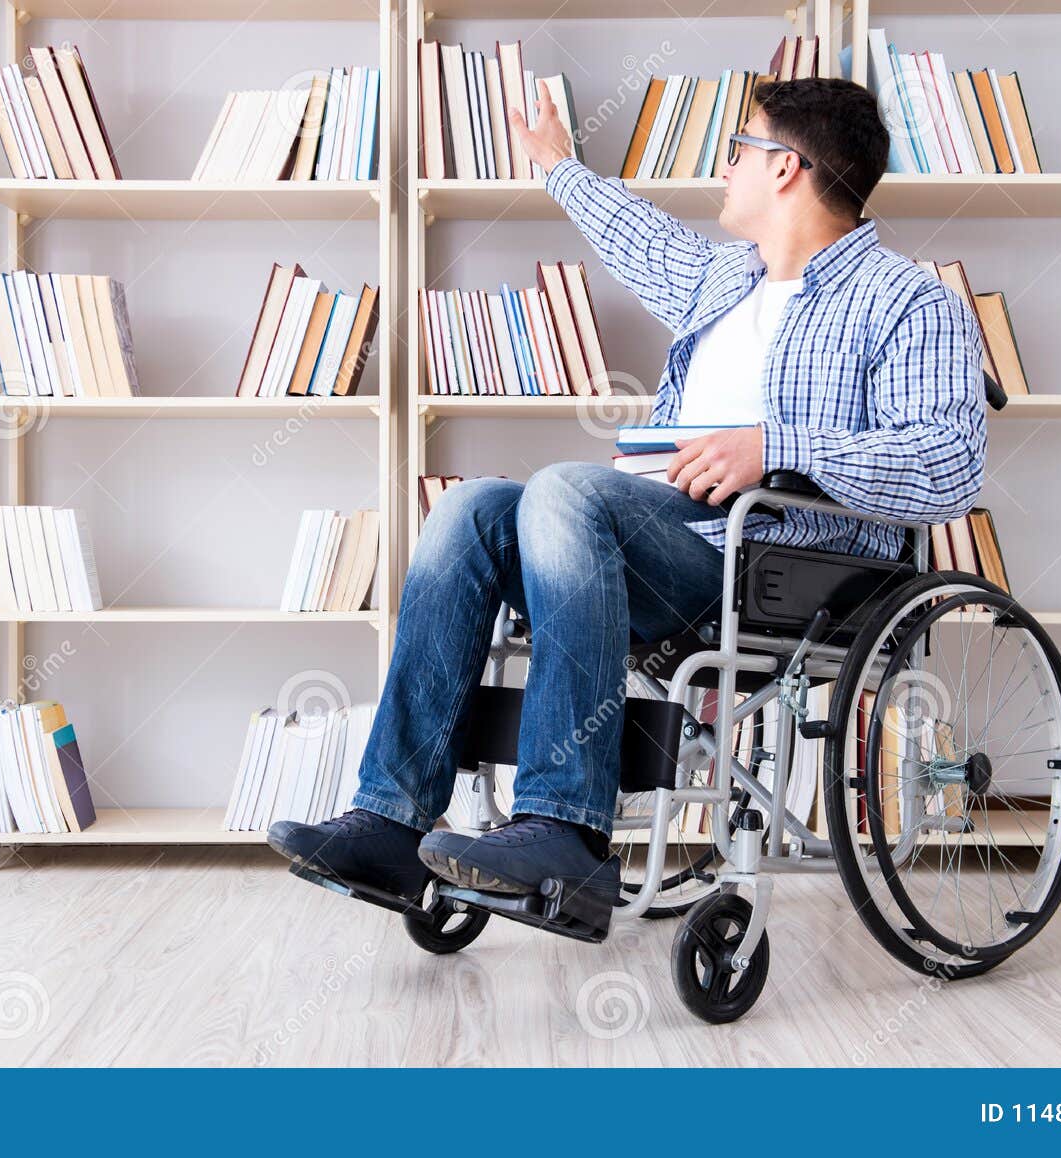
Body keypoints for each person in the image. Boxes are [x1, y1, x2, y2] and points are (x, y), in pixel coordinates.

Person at [268, 76, 986, 913]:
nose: (726, 169)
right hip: (661, 539)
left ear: (785, 168)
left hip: (780, 563)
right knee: (470, 510)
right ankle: (390, 824)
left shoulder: (910, 302)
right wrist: (556, 165)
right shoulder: (726, 281)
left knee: (571, 492)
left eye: (738, 150)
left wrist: (774, 448)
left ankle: (564, 829)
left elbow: (949, 463)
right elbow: (639, 238)